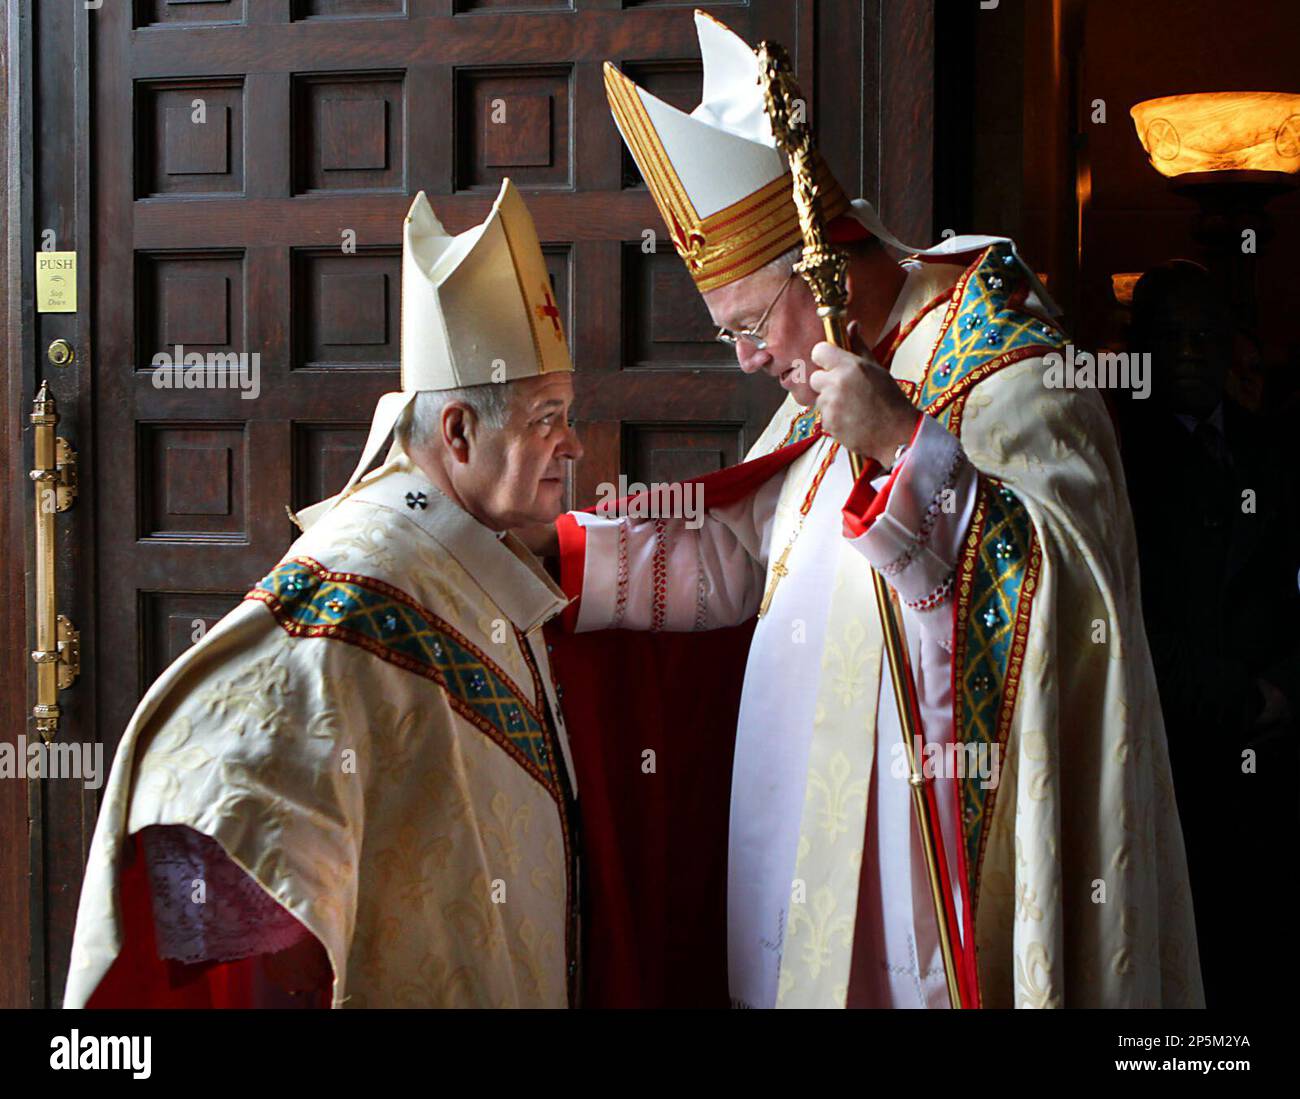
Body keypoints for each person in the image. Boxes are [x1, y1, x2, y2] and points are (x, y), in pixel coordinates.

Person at [543, 10, 1203, 1008]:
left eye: (752, 323)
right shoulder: (837, 369)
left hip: (922, 867)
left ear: (826, 263)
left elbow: (1070, 608)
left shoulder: (1015, 372)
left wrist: (903, 445)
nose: (750, 359)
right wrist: (547, 557)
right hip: (798, 838)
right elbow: (751, 548)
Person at [63, 179, 586, 1009]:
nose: (573, 443)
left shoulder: (463, 544)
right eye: (546, 418)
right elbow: (222, 743)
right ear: (457, 432)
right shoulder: (361, 576)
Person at [1121, 259, 1299, 1008]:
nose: (1189, 353)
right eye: (1168, 338)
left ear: (1232, 343)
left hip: (1281, 751)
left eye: (1204, 335)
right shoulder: (1116, 458)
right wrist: (1231, 695)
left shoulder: (1277, 449)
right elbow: (1122, 612)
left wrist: (1286, 687)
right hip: (1173, 748)